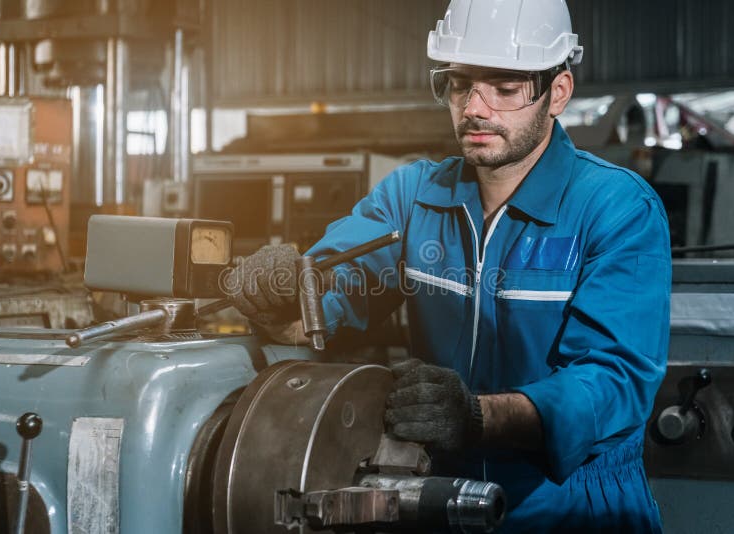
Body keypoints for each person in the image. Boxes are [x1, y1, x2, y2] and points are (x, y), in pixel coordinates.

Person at [228, 0, 670, 531]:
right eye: (461, 85)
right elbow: (330, 297)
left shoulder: (616, 209)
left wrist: (479, 417)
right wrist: (282, 295)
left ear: (558, 92)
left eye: (504, 87)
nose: (475, 108)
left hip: (572, 504)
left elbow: (613, 381)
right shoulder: (413, 197)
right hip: (440, 496)